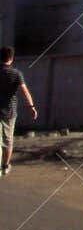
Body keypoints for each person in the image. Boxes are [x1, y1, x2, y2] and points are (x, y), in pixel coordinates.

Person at [0, 47, 37, 178]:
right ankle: (4, 166)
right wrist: (31, 106)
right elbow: (25, 91)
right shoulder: (16, 74)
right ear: (11, 58)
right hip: (9, 112)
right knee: (8, 141)